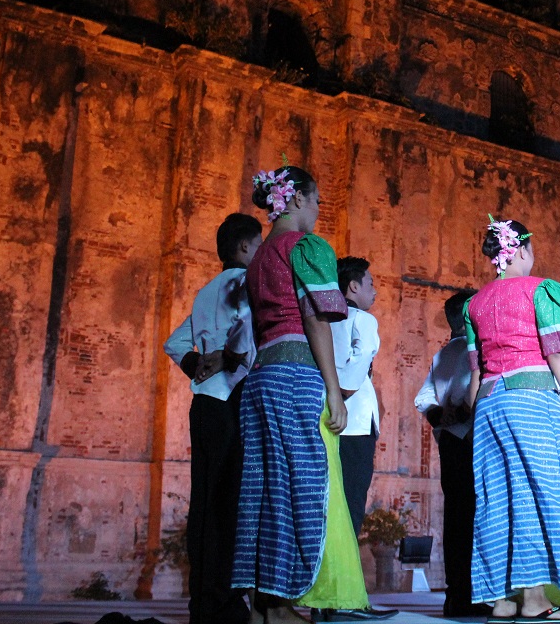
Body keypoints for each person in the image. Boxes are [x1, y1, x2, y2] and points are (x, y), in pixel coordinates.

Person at [231, 166, 394, 622]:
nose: (320, 209)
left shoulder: (260, 257)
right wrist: (334, 391)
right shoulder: (307, 247)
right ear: (298, 199)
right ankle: (285, 601)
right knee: (304, 489)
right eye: (318, 200)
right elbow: (315, 319)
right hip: (298, 375)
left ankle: (265, 605)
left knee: (263, 490)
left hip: (261, 377)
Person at [464, 217, 560, 622]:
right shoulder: (542, 289)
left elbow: (476, 372)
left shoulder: (476, 302)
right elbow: (558, 354)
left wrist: (477, 420)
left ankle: (503, 600)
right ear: (521, 250)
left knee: (498, 496)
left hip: (489, 403)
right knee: (540, 494)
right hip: (531, 399)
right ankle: (535, 600)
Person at [163, 213, 262, 624]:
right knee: (232, 502)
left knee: (204, 503)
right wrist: (229, 355)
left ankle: (203, 600)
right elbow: (248, 329)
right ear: (244, 248)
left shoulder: (205, 291)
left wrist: (198, 362)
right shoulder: (245, 284)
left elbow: (175, 342)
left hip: (204, 402)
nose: (260, 255)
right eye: (258, 247)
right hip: (233, 399)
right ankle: (225, 600)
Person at [412, 290, 491, 618]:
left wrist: (437, 415)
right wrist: (457, 414)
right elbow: (471, 394)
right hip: (472, 442)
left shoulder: (442, 354)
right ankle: (473, 594)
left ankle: (456, 593)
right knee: (477, 518)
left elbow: (424, 398)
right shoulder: (474, 351)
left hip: (450, 444)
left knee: (456, 518)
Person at [332, 256, 381, 537]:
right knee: (352, 499)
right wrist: (345, 391)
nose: (374, 291)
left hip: (328, 419)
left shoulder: (325, 320)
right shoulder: (362, 318)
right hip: (356, 422)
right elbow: (364, 352)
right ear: (352, 286)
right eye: (370, 284)